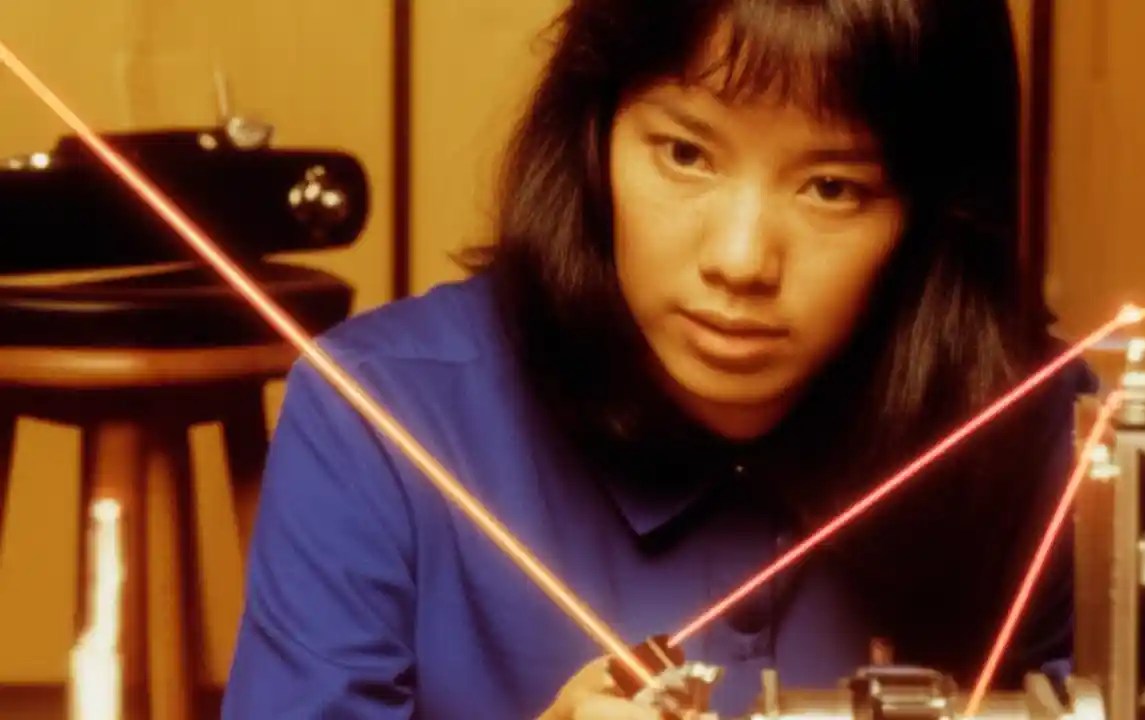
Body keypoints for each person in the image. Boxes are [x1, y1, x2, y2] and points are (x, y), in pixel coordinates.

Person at [222, 0, 1096, 717]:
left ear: (934, 217)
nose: (742, 259)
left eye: (832, 187)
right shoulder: (377, 418)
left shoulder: (1046, 431)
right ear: (593, 139)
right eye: (686, 154)